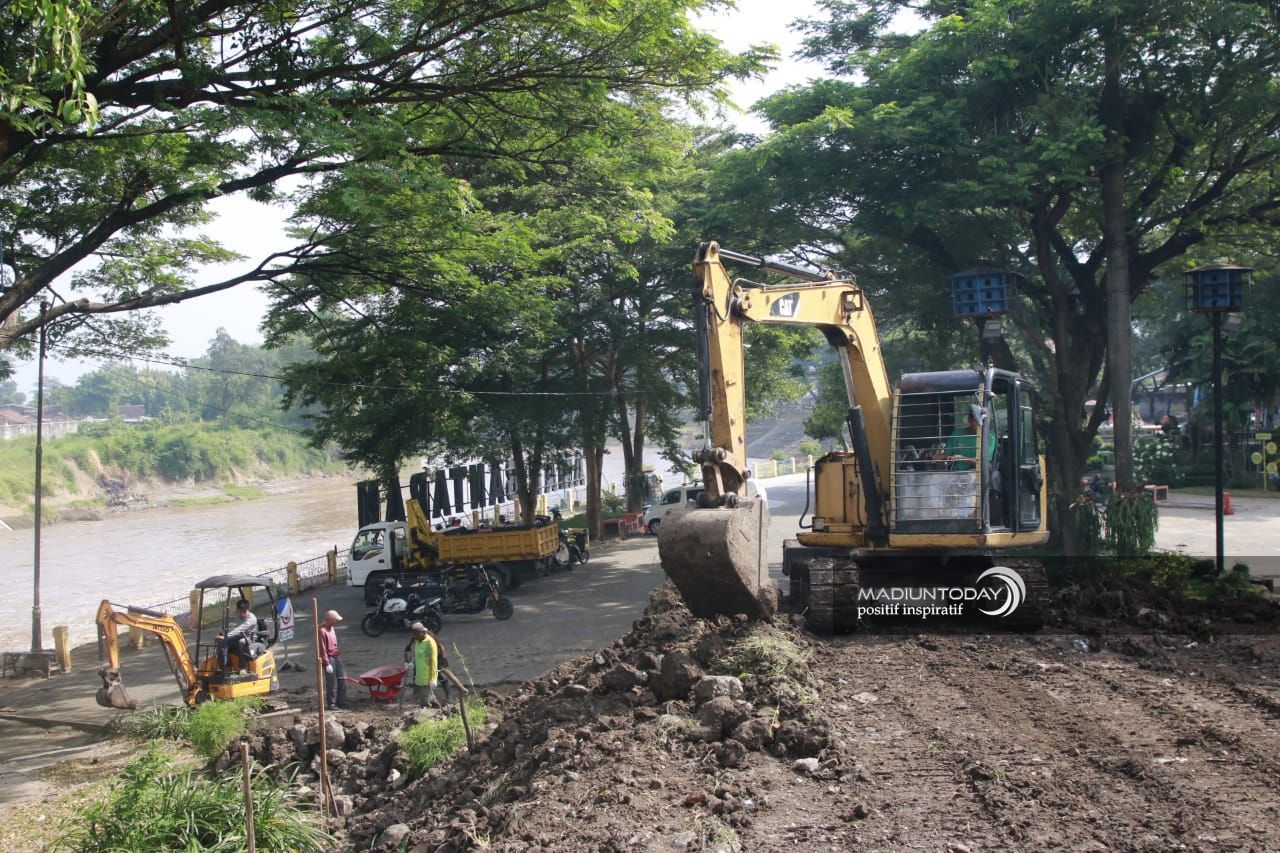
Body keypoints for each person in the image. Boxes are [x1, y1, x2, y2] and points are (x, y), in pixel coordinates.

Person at [943, 405, 995, 471]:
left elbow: (985, 465)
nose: (980, 425)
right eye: (976, 421)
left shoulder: (990, 437)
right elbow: (946, 455)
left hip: (979, 476)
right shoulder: (957, 433)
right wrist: (932, 457)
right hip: (956, 474)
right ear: (969, 420)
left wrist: (961, 458)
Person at [216, 599, 257, 670]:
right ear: (237, 609)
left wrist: (226, 636)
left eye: (243, 611)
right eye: (240, 611)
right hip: (239, 635)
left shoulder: (251, 619)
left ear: (247, 610)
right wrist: (224, 637)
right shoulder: (237, 616)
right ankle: (224, 666)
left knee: (240, 642)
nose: (241, 613)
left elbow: (240, 629)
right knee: (222, 643)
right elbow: (236, 630)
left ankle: (242, 667)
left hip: (250, 638)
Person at [405, 623, 439, 707]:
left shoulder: (430, 643)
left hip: (427, 676)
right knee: (428, 697)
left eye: (416, 634)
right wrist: (412, 663)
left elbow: (434, 662)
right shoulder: (417, 640)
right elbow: (415, 653)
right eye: (413, 634)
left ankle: (426, 716)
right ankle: (437, 708)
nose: (414, 637)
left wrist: (434, 678)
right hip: (420, 674)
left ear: (423, 632)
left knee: (424, 702)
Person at [319, 609, 347, 709]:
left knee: (343, 677)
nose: (337, 622)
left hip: (336, 655)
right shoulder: (322, 631)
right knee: (331, 681)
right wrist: (326, 663)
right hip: (329, 657)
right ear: (330, 620)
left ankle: (341, 701)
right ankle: (331, 703)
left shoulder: (332, 628)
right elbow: (322, 648)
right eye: (335, 620)